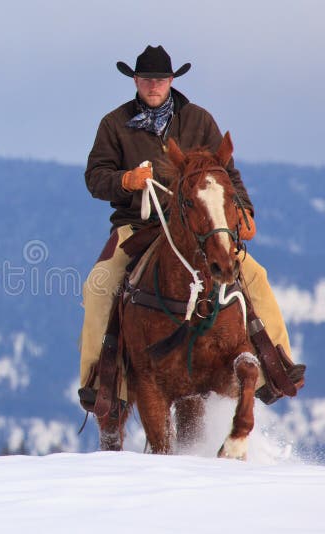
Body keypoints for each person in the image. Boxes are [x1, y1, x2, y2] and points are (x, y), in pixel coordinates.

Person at [79, 45, 304, 408]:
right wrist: (125, 181)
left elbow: (226, 173)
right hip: (137, 226)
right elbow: (94, 177)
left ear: (171, 81)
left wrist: (244, 210)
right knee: (98, 285)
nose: (154, 85)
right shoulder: (113, 124)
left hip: (198, 229)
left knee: (255, 276)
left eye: (161, 79)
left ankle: (274, 368)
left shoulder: (199, 120)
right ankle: (102, 384)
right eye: (147, 79)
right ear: (135, 81)